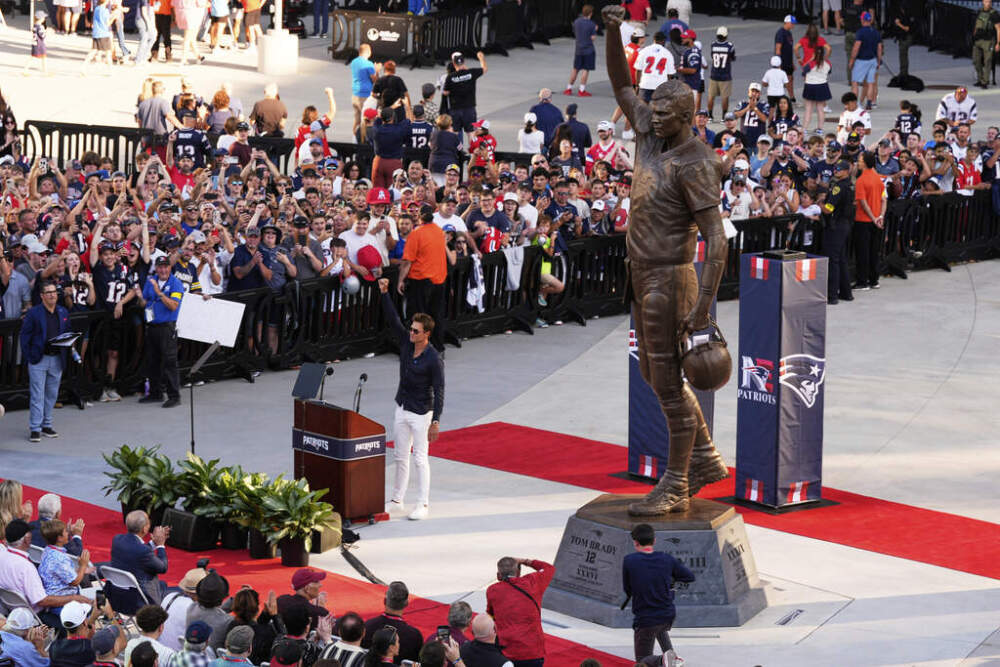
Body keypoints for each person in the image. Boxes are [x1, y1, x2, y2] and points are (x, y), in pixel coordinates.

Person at [603, 4, 729, 513]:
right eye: (650, 112)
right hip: (642, 273)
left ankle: (678, 480)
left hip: (671, 279)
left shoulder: (695, 161)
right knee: (656, 377)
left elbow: (717, 240)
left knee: (669, 383)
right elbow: (620, 84)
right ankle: (703, 457)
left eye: (662, 115)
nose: (650, 119)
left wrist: (703, 309)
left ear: (686, 117)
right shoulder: (651, 135)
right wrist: (614, 32)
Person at [378, 276, 444, 521]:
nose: (411, 332)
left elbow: (440, 390)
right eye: (411, 328)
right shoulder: (407, 344)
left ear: (426, 334)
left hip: (421, 413)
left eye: (415, 330)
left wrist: (435, 420)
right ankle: (397, 499)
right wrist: (385, 293)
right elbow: (394, 320)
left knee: (420, 458)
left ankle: (423, 504)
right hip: (402, 407)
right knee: (399, 455)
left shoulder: (433, 359)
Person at [622, 523, 695, 663]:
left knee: (642, 660)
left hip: (646, 617)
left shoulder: (630, 561)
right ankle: (671, 659)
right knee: (660, 629)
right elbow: (689, 576)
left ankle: (662, 661)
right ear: (654, 541)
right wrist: (670, 584)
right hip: (667, 614)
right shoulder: (667, 559)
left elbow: (628, 589)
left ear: (635, 542)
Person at [0, 519, 92, 625]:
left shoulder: (2, 555)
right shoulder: (26, 567)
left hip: (11, 608)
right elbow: (42, 601)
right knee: (87, 604)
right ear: (26, 539)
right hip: (36, 614)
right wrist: (75, 598)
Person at [19, 279, 71, 442]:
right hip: (38, 359)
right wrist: (30, 356)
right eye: (48, 293)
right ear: (42, 296)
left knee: (52, 394)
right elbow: (24, 336)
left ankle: (46, 424)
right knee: (37, 394)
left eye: (54, 292)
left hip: (57, 359)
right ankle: (35, 428)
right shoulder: (34, 313)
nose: (52, 295)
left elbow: (67, 333)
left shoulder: (63, 312)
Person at [485, 557, 554, 667]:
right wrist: (525, 561)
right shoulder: (533, 582)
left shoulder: (492, 591)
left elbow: (491, 615)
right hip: (532, 652)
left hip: (506, 652)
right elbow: (549, 568)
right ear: (518, 572)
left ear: (498, 575)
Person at [137, 255, 183, 408]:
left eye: (166, 266)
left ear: (170, 267)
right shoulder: (151, 280)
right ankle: (155, 393)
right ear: (156, 268)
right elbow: (144, 302)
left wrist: (159, 292)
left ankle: (174, 396)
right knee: (153, 361)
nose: (163, 270)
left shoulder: (175, 283)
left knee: (169, 362)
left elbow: (173, 306)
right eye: (160, 266)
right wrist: (139, 297)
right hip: (152, 326)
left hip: (167, 327)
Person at [110, 509, 170, 604]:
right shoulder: (143, 551)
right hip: (139, 601)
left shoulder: (117, 539)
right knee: (164, 587)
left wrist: (153, 543)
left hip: (117, 596)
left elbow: (136, 550)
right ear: (145, 529)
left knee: (162, 585)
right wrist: (160, 545)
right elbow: (162, 568)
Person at [360, 581, 423, 663]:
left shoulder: (367, 626)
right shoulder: (414, 636)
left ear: (385, 601)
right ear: (407, 603)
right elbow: (416, 664)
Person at [822, 160, 855, 305]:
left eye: (839, 170)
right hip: (845, 225)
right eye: (835, 169)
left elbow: (829, 209)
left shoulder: (839, 187)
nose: (836, 171)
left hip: (836, 226)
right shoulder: (850, 186)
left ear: (847, 171)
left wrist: (819, 204)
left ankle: (832, 295)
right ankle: (846, 292)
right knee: (841, 259)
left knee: (833, 260)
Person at [853, 151, 886, 291]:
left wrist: (872, 218)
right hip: (877, 221)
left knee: (862, 252)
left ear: (865, 162)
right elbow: (884, 199)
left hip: (863, 220)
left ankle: (862, 281)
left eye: (860, 160)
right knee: (874, 251)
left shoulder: (861, 180)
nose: (858, 162)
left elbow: (863, 201)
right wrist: (880, 217)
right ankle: (874, 280)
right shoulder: (878, 179)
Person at [442, 51, 487, 140]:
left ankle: (455, 153)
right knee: (471, 134)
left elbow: (445, 92)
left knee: (454, 134)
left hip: (455, 110)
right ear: (464, 62)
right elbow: (484, 69)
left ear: (454, 64)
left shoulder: (450, 77)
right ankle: (472, 153)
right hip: (469, 109)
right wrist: (481, 58)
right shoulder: (471, 73)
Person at [848, 11, 882, 110]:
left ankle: (855, 103)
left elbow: (856, 47)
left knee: (855, 82)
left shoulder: (860, 32)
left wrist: (851, 60)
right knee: (871, 82)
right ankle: (869, 103)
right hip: (873, 60)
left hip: (861, 60)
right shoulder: (876, 32)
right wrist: (879, 61)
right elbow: (879, 48)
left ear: (862, 20)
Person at [565, 4, 597, 97]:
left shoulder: (576, 22)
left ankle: (568, 88)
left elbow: (575, 32)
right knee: (585, 70)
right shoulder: (592, 24)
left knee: (575, 69)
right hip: (588, 50)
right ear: (590, 13)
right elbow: (593, 38)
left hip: (578, 49)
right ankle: (581, 90)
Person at [635, 31, 675, 103]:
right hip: (660, 85)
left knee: (643, 108)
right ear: (663, 41)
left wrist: (637, 85)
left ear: (654, 39)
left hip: (645, 83)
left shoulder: (644, 51)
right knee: (658, 109)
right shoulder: (667, 53)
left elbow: (638, 70)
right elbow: (670, 74)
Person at [706, 26, 735, 121]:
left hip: (714, 74)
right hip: (725, 75)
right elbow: (732, 57)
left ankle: (710, 116)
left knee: (711, 96)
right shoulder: (729, 46)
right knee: (725, 97)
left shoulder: (713, 45)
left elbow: (712, 56)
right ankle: (724, 117)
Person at [350, 44, 379, 136]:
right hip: (365, 95)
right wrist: (377, 70)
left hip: (355, 94)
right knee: (367, 119)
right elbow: (375, 80)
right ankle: (364, 139)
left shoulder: (354, 62)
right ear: (368, 52)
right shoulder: (369, 64)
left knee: (357, 119)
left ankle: (354, 137)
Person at [972, 0, 1000, 89]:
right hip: (978, 39)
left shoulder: (994, 13)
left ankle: (985, 81)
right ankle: (980, 79)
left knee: (987, 61)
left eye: (989, 2)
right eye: (986, 1)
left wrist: (998, 43)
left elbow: (998, 29)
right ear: (983, 2)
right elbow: (977, 24)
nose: (988, 3)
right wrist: (974, 35)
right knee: (976, 60)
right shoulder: (980, 11)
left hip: (988, 41)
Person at [82, 0, 113, 74]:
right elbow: (107, 23)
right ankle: (111, 70)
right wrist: (114, 16)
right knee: (108, 53)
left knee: (94, 51)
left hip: (96, 33)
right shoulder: (105, 11)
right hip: (104, 34)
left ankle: (84, 66)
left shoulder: (96, 9)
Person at [774, 14, 797, 104]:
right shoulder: (781, 33)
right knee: (784, 80)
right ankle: (780, 99)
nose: (793, 25)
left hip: (788, 61)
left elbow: (790, 48)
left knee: (790, 79)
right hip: (782, 61)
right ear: (787, 22)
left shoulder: (789, 33)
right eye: (792, 23)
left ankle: (792, 98)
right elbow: (778, 49)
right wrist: (778, 64)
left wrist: (792, 63)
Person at [892, 3, 915, 80]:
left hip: (907, 38)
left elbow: (907, 28)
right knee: (902, 55)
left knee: (903, 55)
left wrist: (899, 24)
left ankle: (904, 73)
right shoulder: (900, 15)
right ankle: (903, 72)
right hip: (902, 37)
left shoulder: (909, 16)